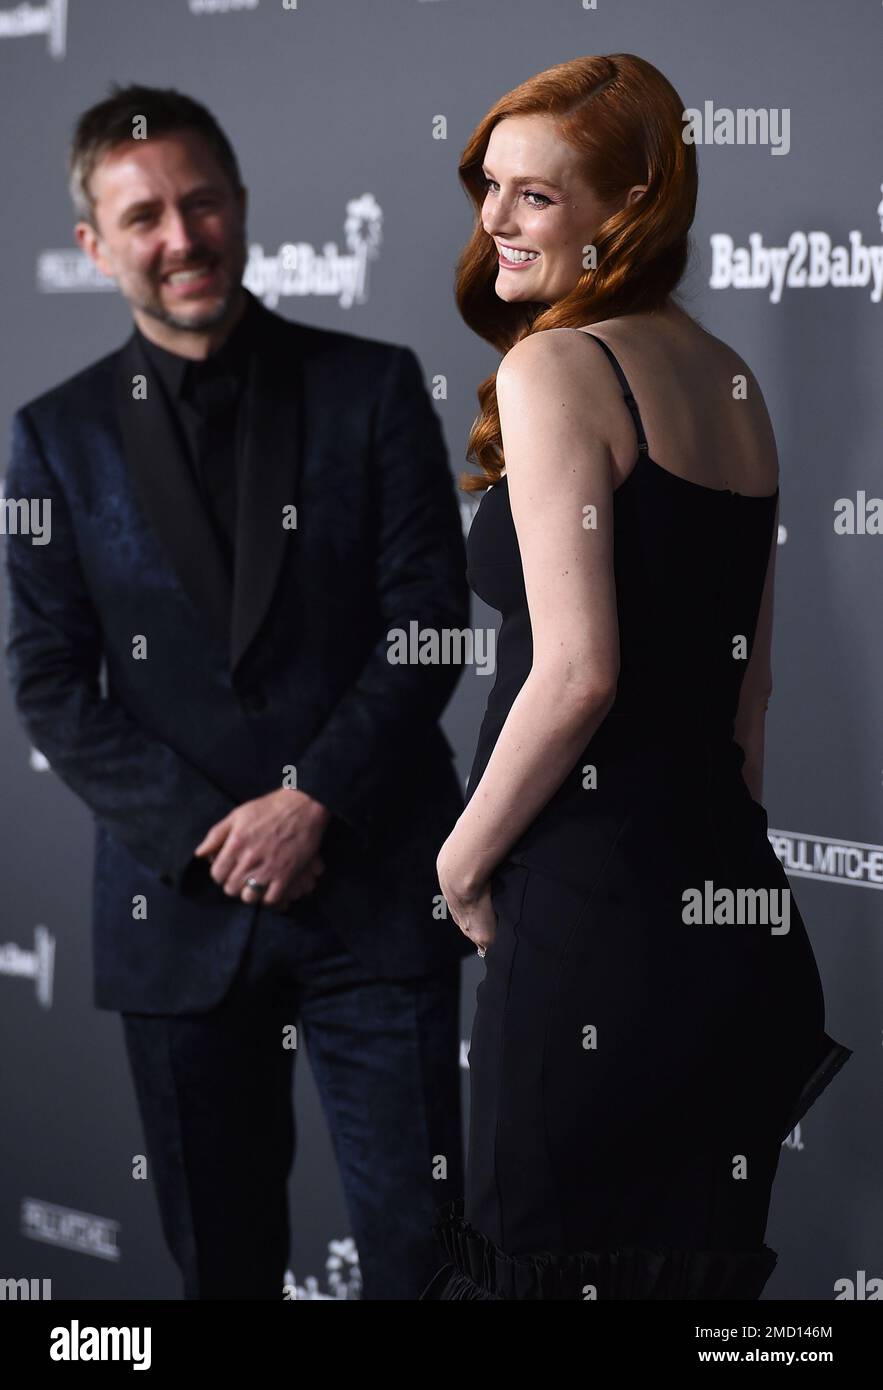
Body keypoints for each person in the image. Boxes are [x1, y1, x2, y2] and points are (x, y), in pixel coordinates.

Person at [4, 83, 474, 1300]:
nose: (181, 237)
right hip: (180, 915)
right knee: (223, 1270)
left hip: (373, 890)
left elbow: (426, 624)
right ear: (94, 247)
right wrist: (215, 840)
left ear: (241, 204)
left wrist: (311, 799)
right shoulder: (51, 437)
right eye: (144, 215)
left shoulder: (373, 387)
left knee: (426, 1259)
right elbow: (49, 680)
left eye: (199, 201)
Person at [422, 53, 851, 1301]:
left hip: (590, 927)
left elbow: (578, 674)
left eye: (536, 197)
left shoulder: (555, 369)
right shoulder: (731, 380)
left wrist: (458, 862)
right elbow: (747, 696)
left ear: (627, 208)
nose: (494, 220)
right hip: (735, 926)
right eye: (487, 187)